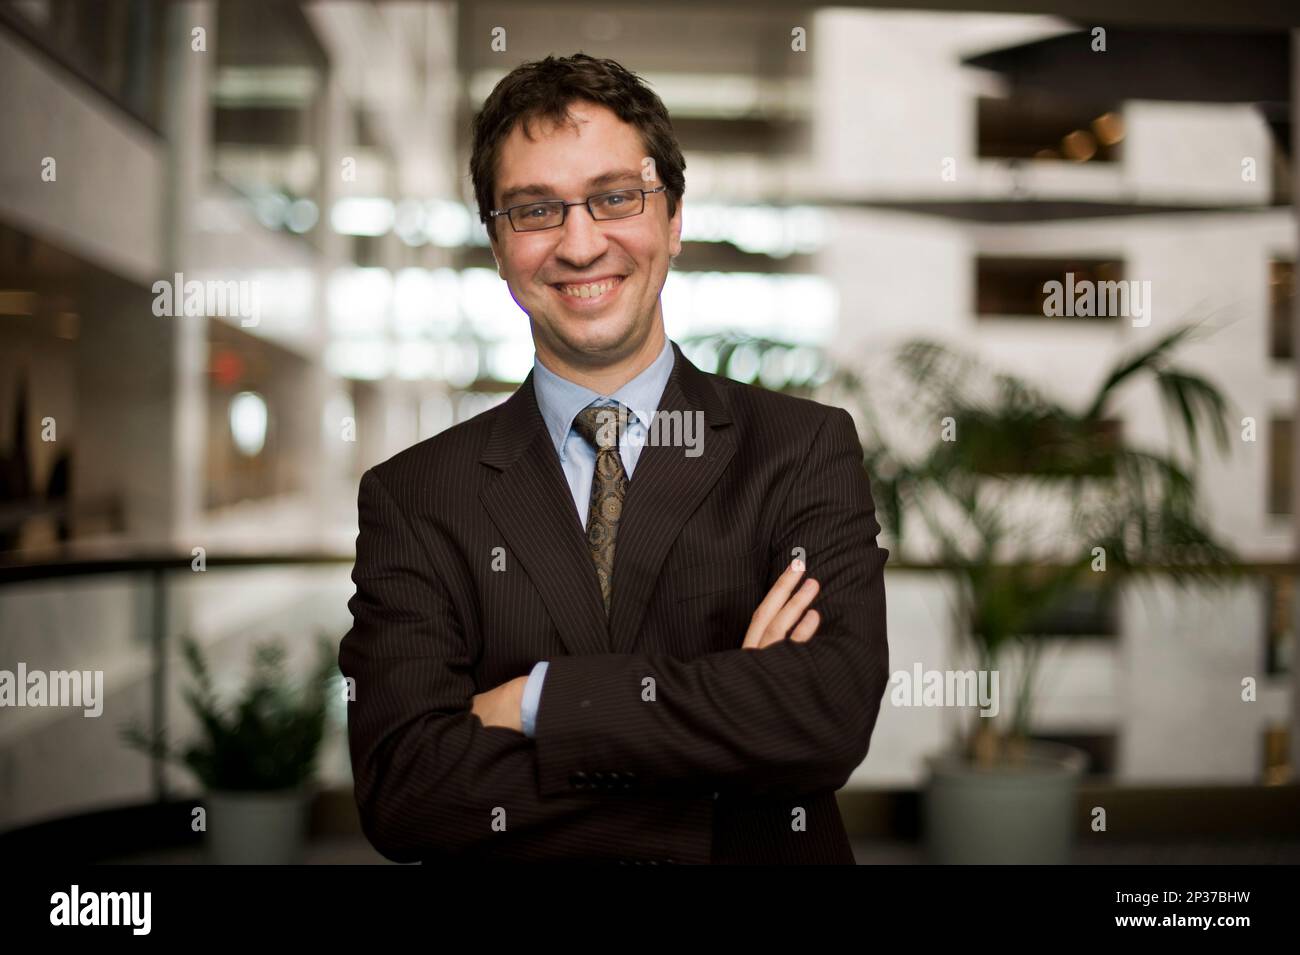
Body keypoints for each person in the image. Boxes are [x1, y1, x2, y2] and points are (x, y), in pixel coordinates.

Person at [339, 53, 890, 864]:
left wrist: (540, 701)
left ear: (671, 219)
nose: (581, 242)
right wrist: (721, 749)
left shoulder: (802, 449)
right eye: (535, 211)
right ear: (497, 244)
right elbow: (406, 790)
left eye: (615, 197)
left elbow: (826, 713)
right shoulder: (416, 496)